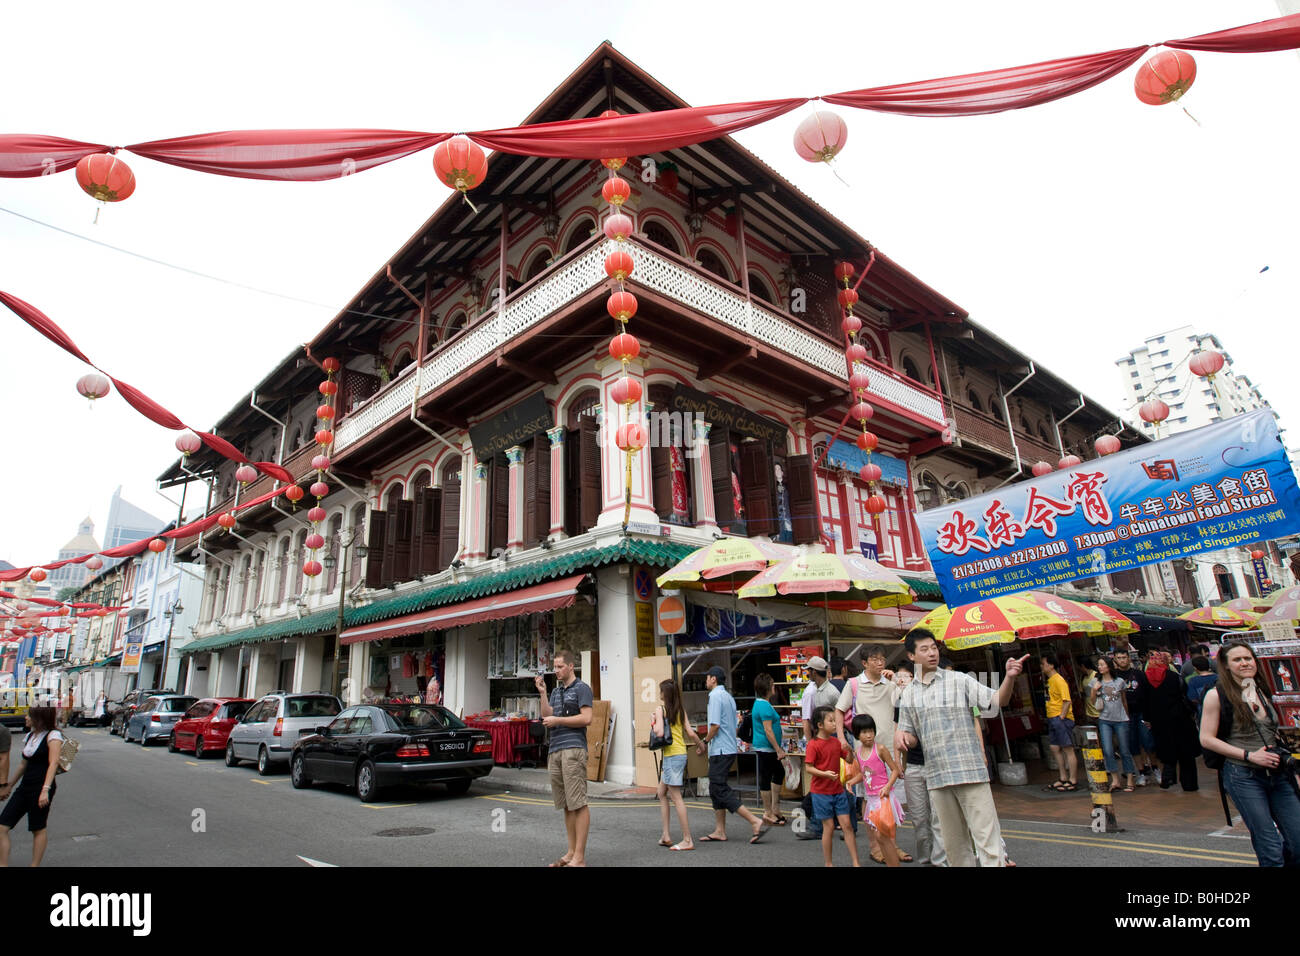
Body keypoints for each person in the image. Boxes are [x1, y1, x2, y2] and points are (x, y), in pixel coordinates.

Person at [895, 630, 1028, 867]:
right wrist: (905, 738)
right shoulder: (909, 695)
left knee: (987, 841)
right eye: (924, 649)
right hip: (937, 777)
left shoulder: (960, 680)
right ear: (912, 656)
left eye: (934, 647)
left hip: (969, 772)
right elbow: (912, 736)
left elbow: (997, 701)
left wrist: (1009, 677)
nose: (932, 653)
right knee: (954, 845)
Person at [1199, 641, 1300, 867]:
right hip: (1243, 776)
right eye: (1237, 659)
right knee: (1270, 846)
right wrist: (1249, 755)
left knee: (1297, 840)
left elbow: (1272, 734)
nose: (1244, 663)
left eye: (1248, 658)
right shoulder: (1216, 696)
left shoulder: (1261, 690)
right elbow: (1206, 739)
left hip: (1278, 775)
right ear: (1225, 665)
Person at [534, 649, 594, 867]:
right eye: (555, 667)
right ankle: (570, 853)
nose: (556, 671)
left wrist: (558, 721)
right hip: (556, 749)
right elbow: (546, 714)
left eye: (560, 667)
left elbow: (587, 718)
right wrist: (542, 692)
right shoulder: (556, 691)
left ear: (571, 666)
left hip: (573, 749)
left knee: (578, 803)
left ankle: (579, 857)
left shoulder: (582, 689)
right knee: (567, 805)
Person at [699, 667, 768, 845]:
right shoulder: (728, 697)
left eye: (707, 678)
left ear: (713, 679)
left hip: (720, 749)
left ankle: (754, 820)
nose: (706, 681)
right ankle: (720, 830)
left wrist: (704, 742)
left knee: (718, 787)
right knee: (715, 788)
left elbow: (714, 726)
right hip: (729, 746)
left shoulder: (715, 696)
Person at [0, 707, 64, 867]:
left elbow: (53, 763)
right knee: (2, 827)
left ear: (39, 718)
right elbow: (23, 765)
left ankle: (34, 865)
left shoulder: (53, 736)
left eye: (29, 715)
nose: (26, 718)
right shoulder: (30, 736)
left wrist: (45, 790)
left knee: (38, 828)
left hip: (41, 787)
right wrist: (9, 785)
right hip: (25, 787)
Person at [894, 662, 945, 865]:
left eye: (906, 677)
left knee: (939, 818)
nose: (901, 681)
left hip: (936, 765)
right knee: (919, 819)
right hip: (914, 768)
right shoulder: (900, 703)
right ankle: (926, 858)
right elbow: (897, 733)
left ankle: (940, 860)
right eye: (899, 678)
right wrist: (898, 762)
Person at [805, 705, 861, 867]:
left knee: (847, 826)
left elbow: (849, 760)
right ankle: (828, 863)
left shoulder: (836, 742)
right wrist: (826, 774)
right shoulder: (813, 745)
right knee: (828, 827)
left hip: (838, 790)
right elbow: (809, 768)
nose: (835, 724)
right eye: (831, 721)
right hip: (821, 792)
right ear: (820, 725)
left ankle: (856, 862)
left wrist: (849, 750)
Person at [654, 679, 705, 851]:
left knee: (676, 797)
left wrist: (653, 721)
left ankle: (687, 839)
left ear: (665, 694)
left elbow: (659, 732)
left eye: (661, 690)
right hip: (680, 753)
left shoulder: (660, 710)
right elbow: (690, 732)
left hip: (671, 756)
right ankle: (666, 835)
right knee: (661, 792)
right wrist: (701, 745)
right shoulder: (680, 710)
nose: (659, 693)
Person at [796, 656, 842, 841]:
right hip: (825, 740)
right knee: (828, 783)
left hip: (829, 741)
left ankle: (820, 825)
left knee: (822, 784)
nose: (808, 673)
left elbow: (838, 718)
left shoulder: (828, 692)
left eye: (809, 670)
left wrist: (813, 743)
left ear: (815, 672)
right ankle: (841, 822)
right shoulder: (818, 690)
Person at [1143, 647, 1200, 792]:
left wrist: (1148, 718)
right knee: (1185, 753)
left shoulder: (1146, 679)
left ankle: (1168, 778)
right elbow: (1184, 695)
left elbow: (1144, 701)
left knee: (1166, 750)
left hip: (1159, 721)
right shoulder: (1174, 677)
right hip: (1180, 718)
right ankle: (1189, 784)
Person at [852, 713, 904, 866]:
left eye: (871, 731)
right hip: (872, 799)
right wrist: (850, 782)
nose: (868, 735)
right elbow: (864, 774)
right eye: (864, 732)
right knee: (880, 838)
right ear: (857, 734)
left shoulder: (880, 749)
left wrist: (887, 787)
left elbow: (895, 770)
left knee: (883, 837)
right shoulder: (858, 753)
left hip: (884, 798)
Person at [835, 644, 900, 762]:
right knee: (867, 779)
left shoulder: (891, 683)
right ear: (864, 663)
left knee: (891, 778)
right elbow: (839, 710)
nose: (880, 663)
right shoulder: (854, 683)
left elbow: (907, 703)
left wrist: (896, 681)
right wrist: (841, 738)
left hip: (889, 746)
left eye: (882, 659)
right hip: (863, 747)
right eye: (875, 660)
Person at [1090, 655, 1136, 792]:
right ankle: (1115, 780)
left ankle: (1129, 778)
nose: (1100, 667)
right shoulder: (1095, 681)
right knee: (1108, 750)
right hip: (1104, 719)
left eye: (1102, 664)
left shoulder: (1119, 681)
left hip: (1121, 719)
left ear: (1109, 666)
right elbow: (1092, 701)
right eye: (1098, 665)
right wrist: (1094, 690)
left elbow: (1123, 700)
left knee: (1124, 750)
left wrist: (1127, 716)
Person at [1113, 649, 1159, 785]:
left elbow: (1148, 693)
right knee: (1133, 745)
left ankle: (1155, 768)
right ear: (1115, 660)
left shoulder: (1138, 674)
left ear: (1128, 658)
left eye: (1124, 657)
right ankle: (1141, 772)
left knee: (1148, 742)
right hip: (1124, 715)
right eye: (1119, 658)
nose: (1122, 660)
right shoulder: (1114, 676)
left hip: (1141, 713)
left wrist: (1149, 715)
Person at [751, 673, 788, 827]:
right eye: (772, 685)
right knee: (767, 776)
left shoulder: (761, 704)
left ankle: (774, 808)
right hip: (767, 747)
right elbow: (768, 730)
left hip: (766, 747)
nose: (774, 687)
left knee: (778, 772)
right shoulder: (764, 706)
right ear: (767, 688)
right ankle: (768, 811)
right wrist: (778, 749)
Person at [1041, 653, 1079, 792]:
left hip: (1059, 717)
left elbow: (1067, 700)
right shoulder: (1050, 680)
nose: (1042, 666)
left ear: (1051, 665)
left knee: (1067, 749)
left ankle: (1073, 779)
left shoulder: (1058, 680)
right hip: (1052, 717)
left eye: (1043, 663)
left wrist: (1062, 716)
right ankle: (1063, 777)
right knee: (1055, 748)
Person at [1186, 655, 1218, 725]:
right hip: (1222, 709)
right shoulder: (1218, 677)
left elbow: (1193, 699)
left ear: (1195, 668)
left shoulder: (1193, 681)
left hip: (1203, 712)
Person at [1078, 658, 1100, 726]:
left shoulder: (1096, 675)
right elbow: (1082, 692)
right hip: (1088, 710)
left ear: (1083, 666)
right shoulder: (1083, 677)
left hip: (1098, 709)